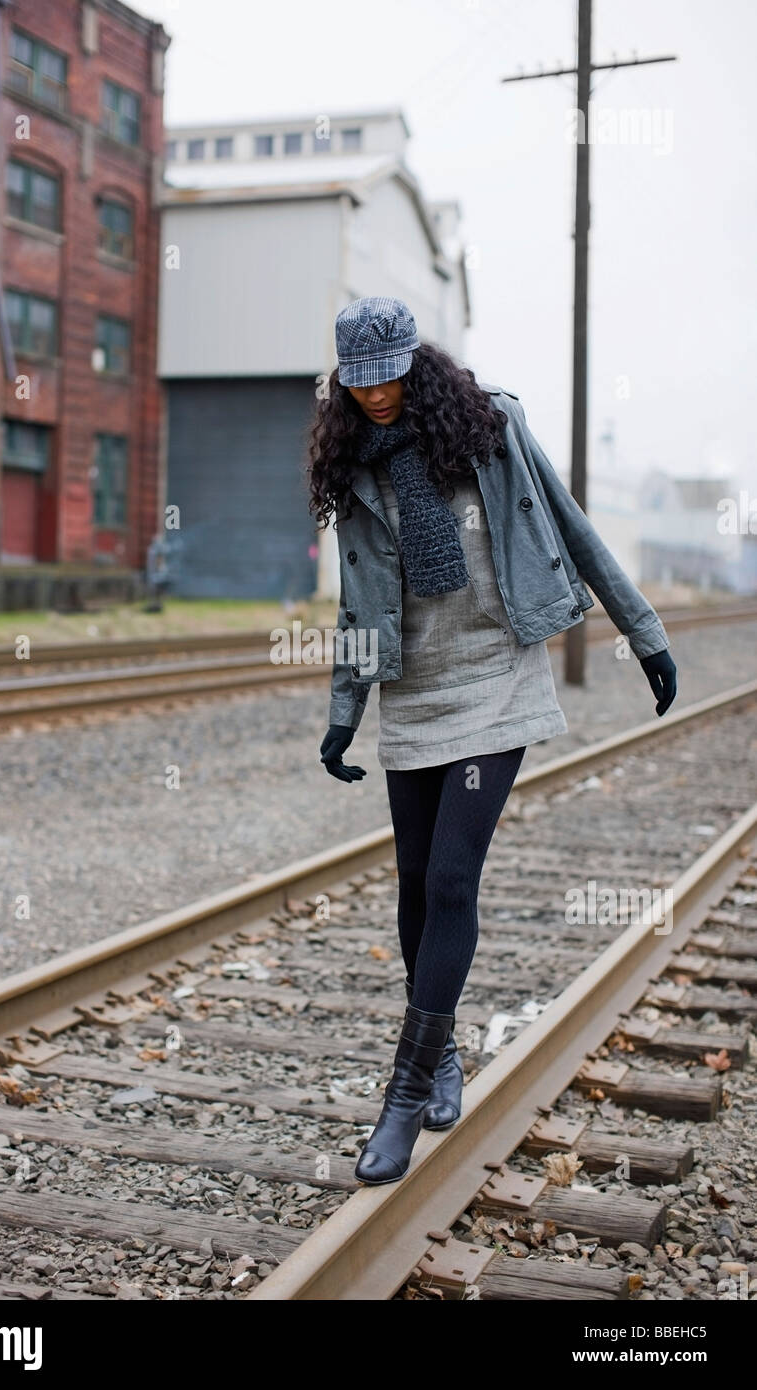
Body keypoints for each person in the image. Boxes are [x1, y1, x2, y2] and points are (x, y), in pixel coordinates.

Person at [306, 296, 678, 1186]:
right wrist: (341, 712)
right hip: (415, 688)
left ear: (417, 365)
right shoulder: (354, 464)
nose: (378, 396)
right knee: (410, 884)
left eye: (390, 378)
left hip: (498, 677)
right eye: (360, 386)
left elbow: (574, 528)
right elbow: (359, 604)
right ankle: (441, 1052)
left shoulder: (491, 428)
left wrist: (646, 632)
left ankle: (401, 1093)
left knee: (449, 878)